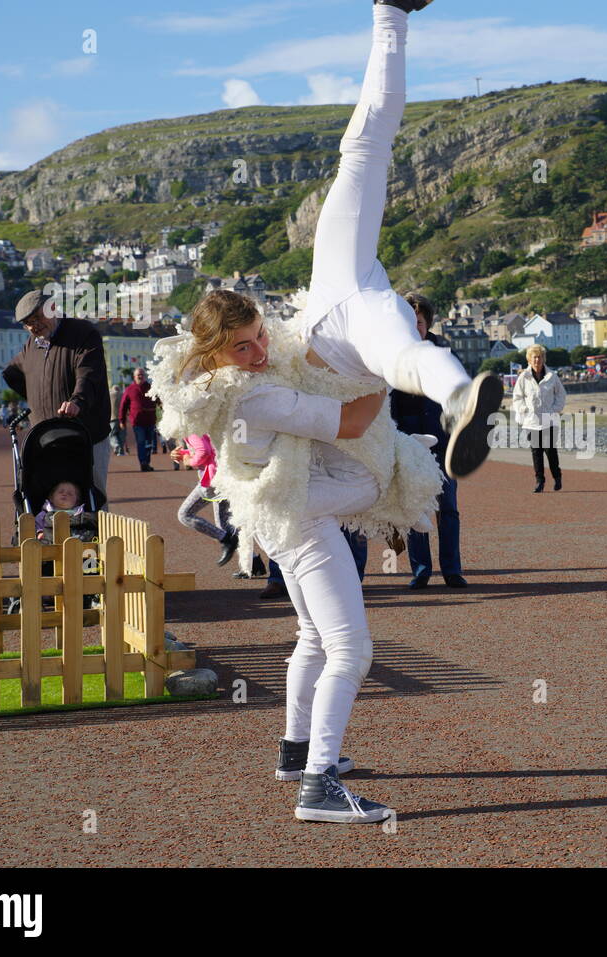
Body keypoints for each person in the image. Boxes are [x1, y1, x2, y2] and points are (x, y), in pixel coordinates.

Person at [148, 285, 442, 826]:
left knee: (312, 637)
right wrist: (379, 369)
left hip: (279, 518)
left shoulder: (221, 384)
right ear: (214, 352)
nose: (259, 352)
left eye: (260, 334)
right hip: (301, 522)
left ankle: (296, 752)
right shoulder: (259, 396)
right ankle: (319, 785)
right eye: (242, 347)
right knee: (351, 651)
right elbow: (351, 422)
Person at [294, 0, 501, 482]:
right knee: (365, 150)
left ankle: (457, 394)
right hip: (349, 315)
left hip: (349, 328)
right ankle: (456, 394)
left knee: (406, 358)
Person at [3, 290, 111, 501]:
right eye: (27, 323)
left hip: (86, 434)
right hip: (47, 436)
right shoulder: (31, 345)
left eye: (37, 317)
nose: (34, 325)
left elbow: (88, 374)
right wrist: (34, 398)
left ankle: (97, 534)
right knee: (52, 497)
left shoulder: (83, 333)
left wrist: (76, 401)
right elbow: (11, 374)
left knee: (91, 496)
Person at [393, 293, 467, 587]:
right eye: (409, 323)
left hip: (443, 439)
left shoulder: (445, 353)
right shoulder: (394, 356)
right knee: (414, 507)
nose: (415, 328)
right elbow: (388, 401)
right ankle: (421, 570)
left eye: (419, 322)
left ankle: (452, 570)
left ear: (428, 323)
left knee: (447, 508)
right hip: (409, 442)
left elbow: (462, 394)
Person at [171, 434, 238, 565]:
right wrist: (183, 454)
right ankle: (254, 560)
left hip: (212, 481)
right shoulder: (198, 423)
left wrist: (189, 461)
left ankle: (226, 540)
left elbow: (203, 451)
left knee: (184, 514)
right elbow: (206, 448)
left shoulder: (191, 428)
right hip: (221, 475)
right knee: (224, 525)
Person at [511, 343, 567, 493]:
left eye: (540, 357)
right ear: (529, 359)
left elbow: (561, 395)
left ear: (543, 358)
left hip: (549, 420)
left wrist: (555, 409)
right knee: (536, 452)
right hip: (531, 421)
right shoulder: (524, 377)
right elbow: (517, 397)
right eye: (534, 357)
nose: (537, 360)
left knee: (550, 450)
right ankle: (539, 481)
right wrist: (524, 410)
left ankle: (557, 477)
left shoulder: (552, 376)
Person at [120, 367, 159, 472]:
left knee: (149, 443)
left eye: (142, 374)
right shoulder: (129, 389)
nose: (141, 376)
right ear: (134, 377)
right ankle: (143, 463)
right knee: (141, 442)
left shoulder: (151, 388)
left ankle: (147, 462)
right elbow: (123, 406)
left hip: (150, 420)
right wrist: (122, 420)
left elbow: (159, 400)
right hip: (137, 422)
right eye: (138, 375)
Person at [109, 381, 128, 456]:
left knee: (112, 435)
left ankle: (116, 445)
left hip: (112, 418)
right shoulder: (123, 395)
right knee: (122, 435)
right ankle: (121, 451)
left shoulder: (109, 395)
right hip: (122, 419)